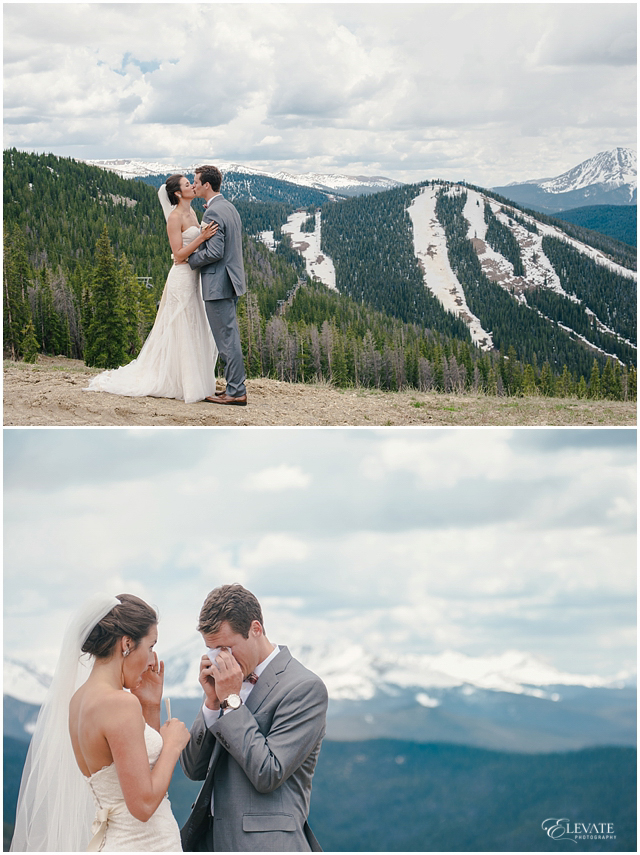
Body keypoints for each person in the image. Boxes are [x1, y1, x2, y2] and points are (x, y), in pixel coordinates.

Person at [10, 593, 189, 852]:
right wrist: (173, 745)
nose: (152, 660)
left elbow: (137, 768)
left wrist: (150, 705)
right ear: (127, 643)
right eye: (150, 647)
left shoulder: (78, 701)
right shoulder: (120, 704)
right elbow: (143, 805)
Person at [180, 584, 328, 852]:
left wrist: (231, 703)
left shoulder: (304, 687)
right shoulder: (225, 686)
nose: (219, 659)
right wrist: (212, 704)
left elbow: (268, 773)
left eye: (226, 647)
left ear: (255, 629)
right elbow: (193, 769)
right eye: (212, 649)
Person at [85, 175, 219, 404]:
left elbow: (195, 242)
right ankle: (182, 383)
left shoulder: (194, 214)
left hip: (194, 277)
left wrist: (204, 232)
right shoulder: (175, 218)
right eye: (188, 184)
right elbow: (178, 254)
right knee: (181, 324)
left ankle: (190, 379)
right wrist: (203, 237)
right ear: (178, 193)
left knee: (194, 323)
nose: (192, 186)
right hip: (181, 277)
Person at [188, 166, 248, 406]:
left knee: (226, 339)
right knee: (229, 335)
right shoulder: (228, 207)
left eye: (196, 182)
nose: (193, 186)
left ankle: (236, 391)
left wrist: (190, 260)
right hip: (232, 280)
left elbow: (214, 252)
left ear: (206, 185)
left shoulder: (213, 213)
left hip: (218, 284)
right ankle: (234, 387)